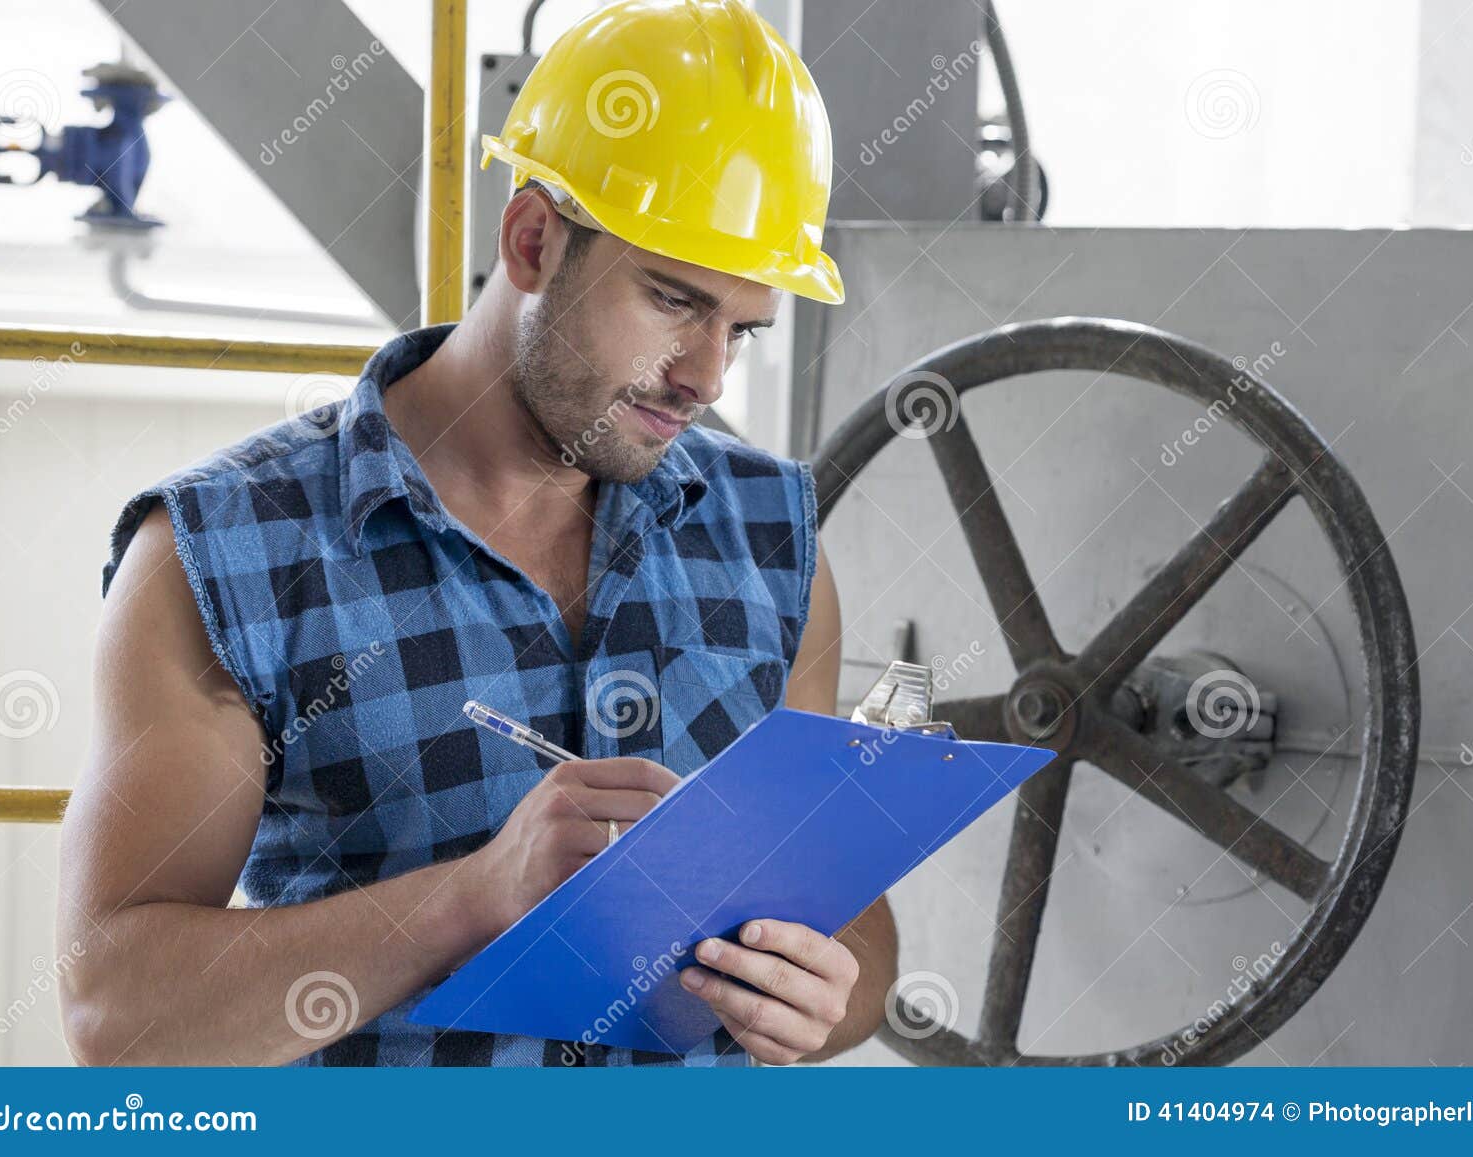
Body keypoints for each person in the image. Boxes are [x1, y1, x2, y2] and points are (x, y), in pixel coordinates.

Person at [57, 0, 896, 1067]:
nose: (706, 376)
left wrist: (819, 987)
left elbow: (858, 937)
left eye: (742, 327)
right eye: (674, 300)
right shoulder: (229, 548)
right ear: (534, 237)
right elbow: (118, 1019)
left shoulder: (774, 542)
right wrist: (474, 895)